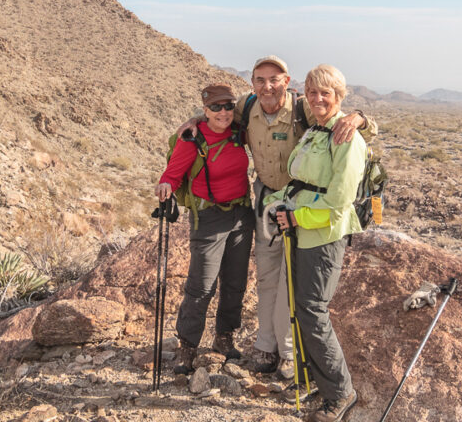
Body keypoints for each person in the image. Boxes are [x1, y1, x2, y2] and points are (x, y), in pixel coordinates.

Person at [177, 55, 376, 381]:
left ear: (287, 81)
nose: (267, 86)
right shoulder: (247, 106)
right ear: (253, 84)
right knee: (267, 276)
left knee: (291, 282)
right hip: (267, 201)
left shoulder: (304, 108)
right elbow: (219, 113)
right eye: (260, 80)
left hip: (302, 206)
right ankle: (264, 345)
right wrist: (195, 120)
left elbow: (338, 114)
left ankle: (288, 352)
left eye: (275, 79)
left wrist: (360, 118)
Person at [269, 64, 364, 422]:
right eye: (312, 92)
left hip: (323, 236)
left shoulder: (347, 139)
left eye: (326, 92)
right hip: (300, 231)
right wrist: (274, 204)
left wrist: (297, 217)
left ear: (339, 96)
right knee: (301, 310)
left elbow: (339, 202)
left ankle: (341, 394)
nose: (318, 98)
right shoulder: (316, 131)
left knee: (312, 311)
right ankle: (319, 385)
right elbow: (300, 183)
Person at [155, 83, 255, 374]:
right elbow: (172, 174)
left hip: (241, 214)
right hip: (209, 217)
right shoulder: (193, 138)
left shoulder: (239, 131)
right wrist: (165, 187)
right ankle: (187, 346)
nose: (222, 112)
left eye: (227, 106)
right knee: (201, 286)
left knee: (235, 282)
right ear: (205, 110)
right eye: (215, 107)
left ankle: (224, 339)